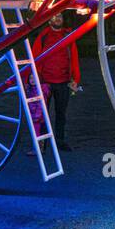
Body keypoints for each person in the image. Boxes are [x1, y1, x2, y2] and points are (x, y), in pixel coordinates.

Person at [33, 11, 80, 151]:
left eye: (59, 16)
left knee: (61, 114)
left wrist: (76, 79)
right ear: (49, 20)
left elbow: (74, 58)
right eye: (54, 16)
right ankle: (43, 142)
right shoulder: (43, 36)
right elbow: (35, 57)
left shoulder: (68, 36)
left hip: (63, 82)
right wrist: (34, 78)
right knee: (43, 115)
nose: (57, 18)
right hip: (46, 82)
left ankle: (60, 141)